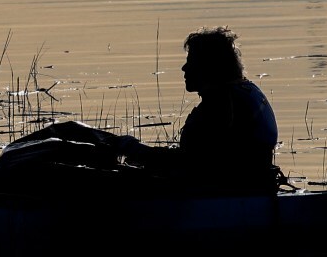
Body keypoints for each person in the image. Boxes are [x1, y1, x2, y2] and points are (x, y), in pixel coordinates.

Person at [114, 27, 280, 196]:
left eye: (191, 61)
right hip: (254, 188)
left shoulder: (221, 103)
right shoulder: (248, 91)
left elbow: (193, 162)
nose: (184, 68)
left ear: (209, 66)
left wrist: (136, 150)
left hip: (226, 193)